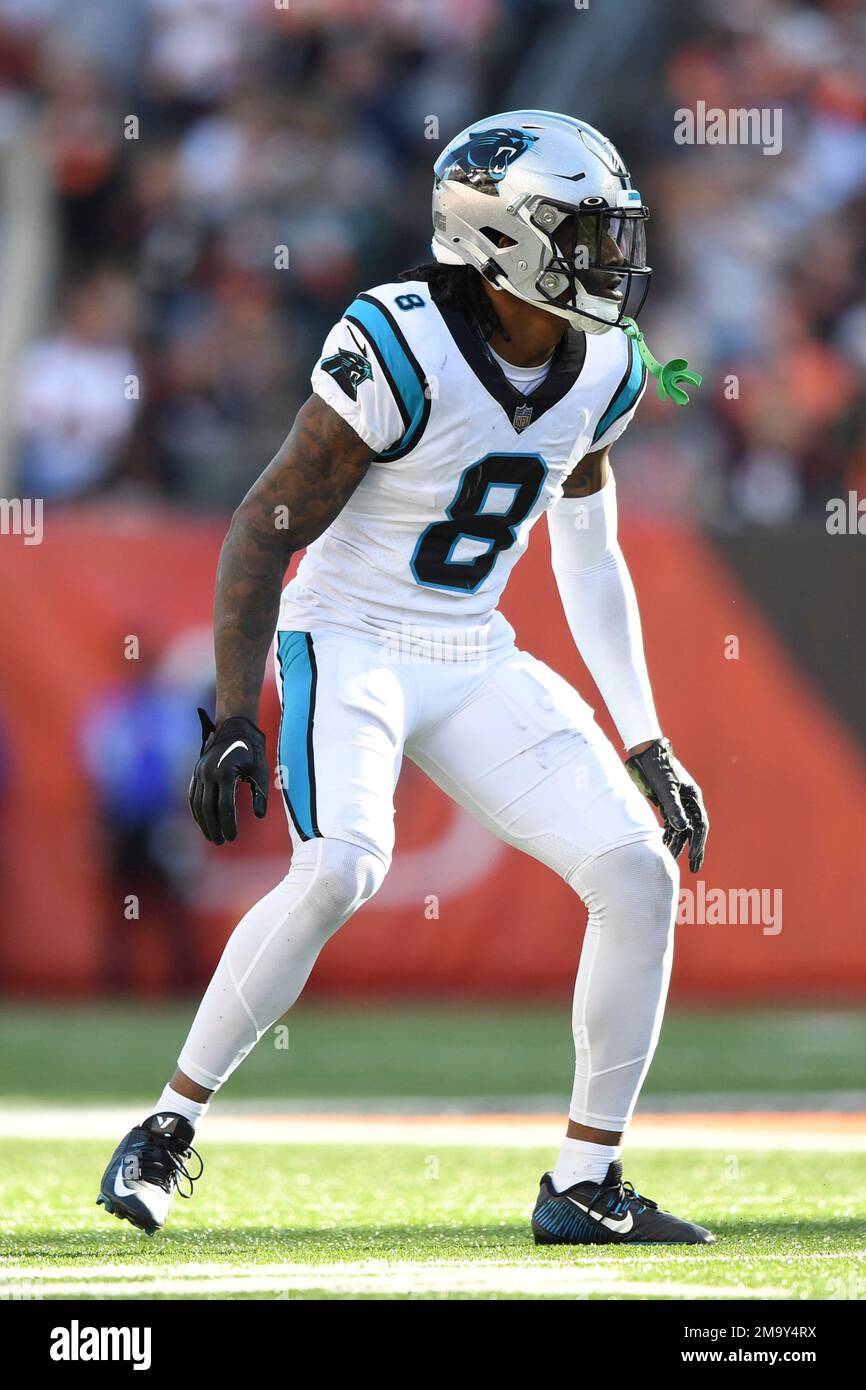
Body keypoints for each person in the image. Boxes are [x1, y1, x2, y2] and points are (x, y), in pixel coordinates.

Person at [98, 111, 712, 1245]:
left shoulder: (607, 367)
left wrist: (645, 737)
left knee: (635, 875)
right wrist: (234, 709)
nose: (611, 256)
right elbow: (262, 525)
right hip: (352, 633)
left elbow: (589, 549)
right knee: (341, 867)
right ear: (498, 234)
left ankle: (583, 1181)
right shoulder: (399, 340)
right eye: (582, 231)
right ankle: (166, 1127)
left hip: (469, 645)